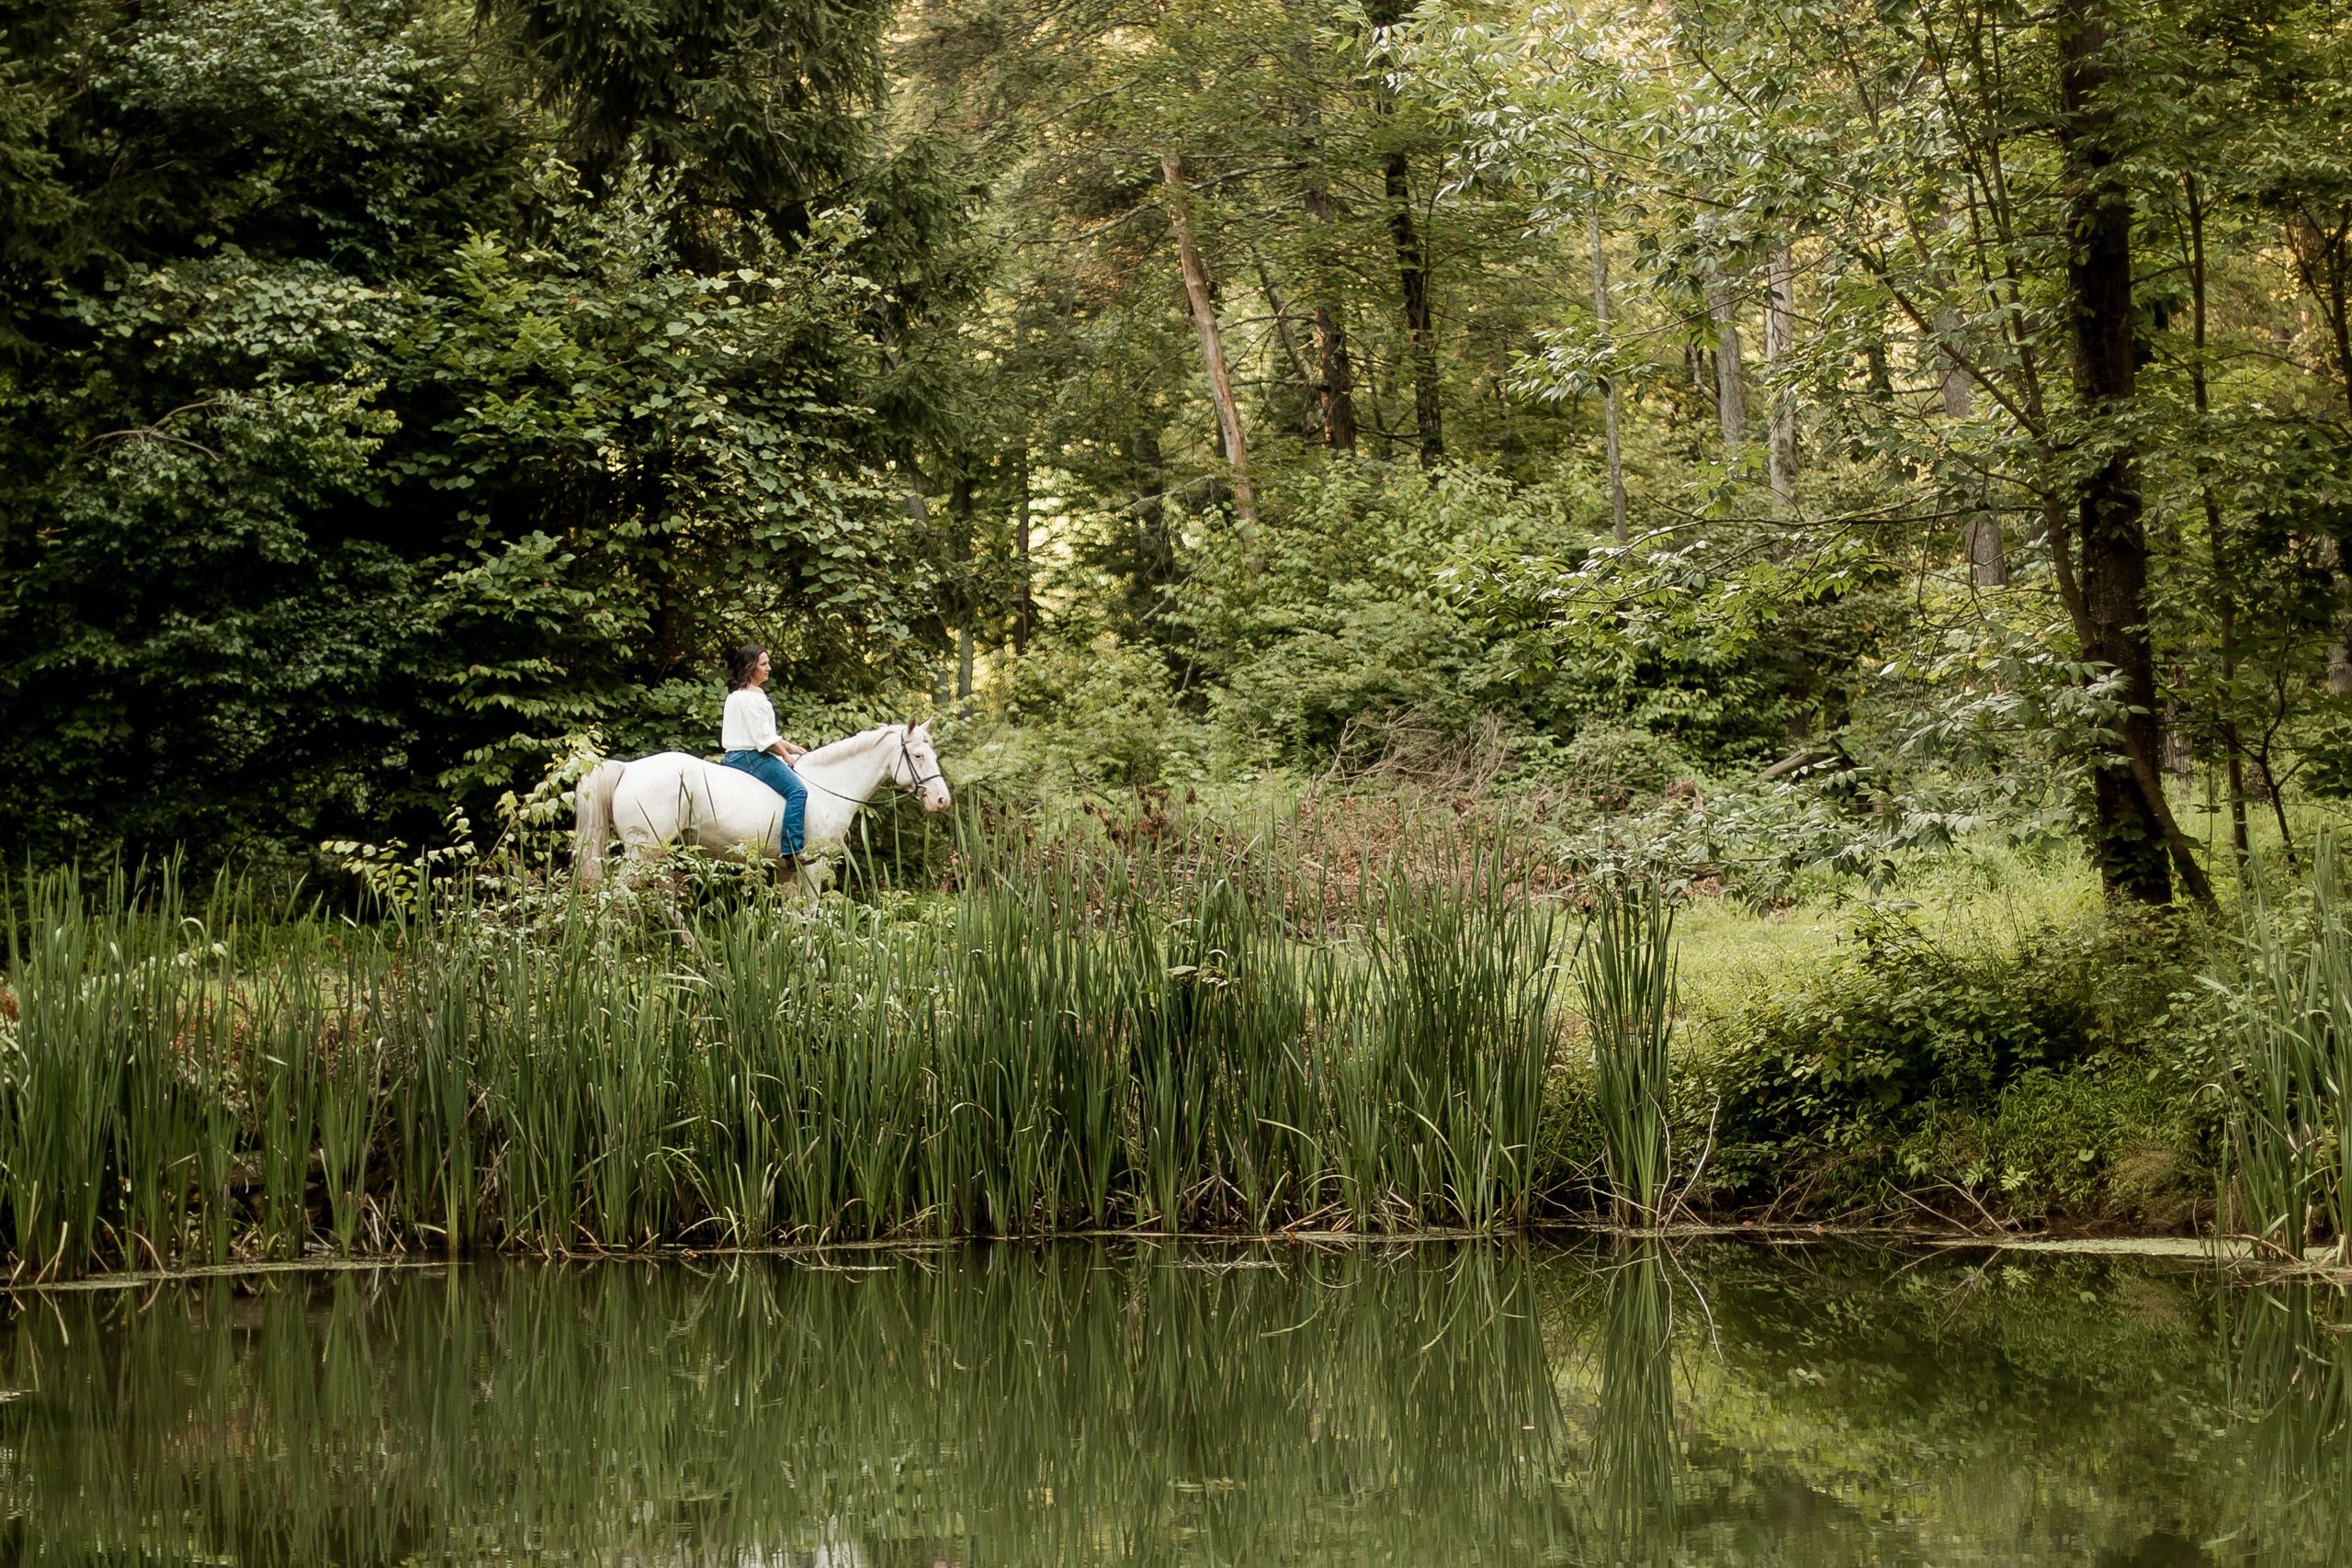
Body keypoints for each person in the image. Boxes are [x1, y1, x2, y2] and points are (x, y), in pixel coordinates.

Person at [719, 643, 808, 856]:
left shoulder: (736, 695)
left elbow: (766, 735)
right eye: (764, 664)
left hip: (734, 755)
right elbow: (764, 740)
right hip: (751, 756)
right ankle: (792, 850)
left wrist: (792, 747)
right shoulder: (754, 697)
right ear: (751, 667)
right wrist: (787, 755)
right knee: (798, 791)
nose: (769, 668)